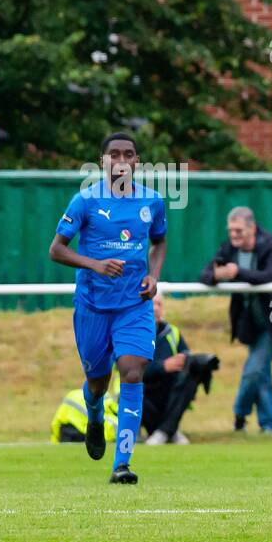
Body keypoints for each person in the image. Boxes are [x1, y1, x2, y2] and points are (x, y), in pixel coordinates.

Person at [47, 132, 167, 484]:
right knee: (98, 381)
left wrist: (154, 276)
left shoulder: (153, 201)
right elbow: (56, 249)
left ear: (136, 162)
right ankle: (95, 414)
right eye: (114, 154)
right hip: (93, 306)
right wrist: (94, 264)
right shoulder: (84, 201)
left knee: (132, 371)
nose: (121, 160)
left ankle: (122, 464)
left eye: (128, 154)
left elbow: (159, 242)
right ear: (103, 162)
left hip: (135, 304)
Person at [199, 206, 272, 433]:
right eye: (231, 230)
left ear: (252, 229)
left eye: (239, 231)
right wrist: (217, 275)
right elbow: (204, 274)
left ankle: (240, 413)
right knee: (261, 372)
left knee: (254, 370)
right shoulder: (228, 250)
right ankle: (270, 425)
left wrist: (237, 274)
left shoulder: (268, 245)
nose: (234, 235)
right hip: (249, 322)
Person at [142, 290, 220, 445]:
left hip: (168, 393)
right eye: (151, 303)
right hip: (142, 393)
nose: (156, 308)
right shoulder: (132, 333)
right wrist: (163, 366)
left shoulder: (173, 333)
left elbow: (186, 357)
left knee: (192, 370)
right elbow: (129, 370)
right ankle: (168, 430)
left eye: (159, 304)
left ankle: (165, 431)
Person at [51, 372, 118, 445]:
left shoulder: (73, 394)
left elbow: (55, 423)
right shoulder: (108, 401)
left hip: (66, 431)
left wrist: (55, 442)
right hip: (82, 432)